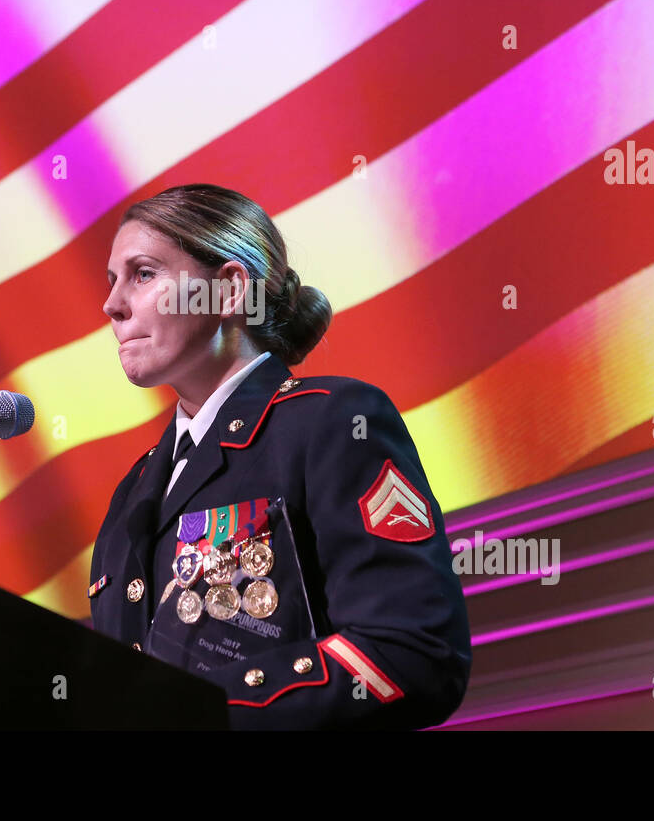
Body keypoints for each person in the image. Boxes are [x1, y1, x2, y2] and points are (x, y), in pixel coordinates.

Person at [89, 183, 470, 730]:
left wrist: (193, 710)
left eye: (143, 273)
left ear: (227, 290)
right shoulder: (135, 488)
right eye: (112, 281)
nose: (112, 304)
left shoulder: (331, 421)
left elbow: (414, 652)